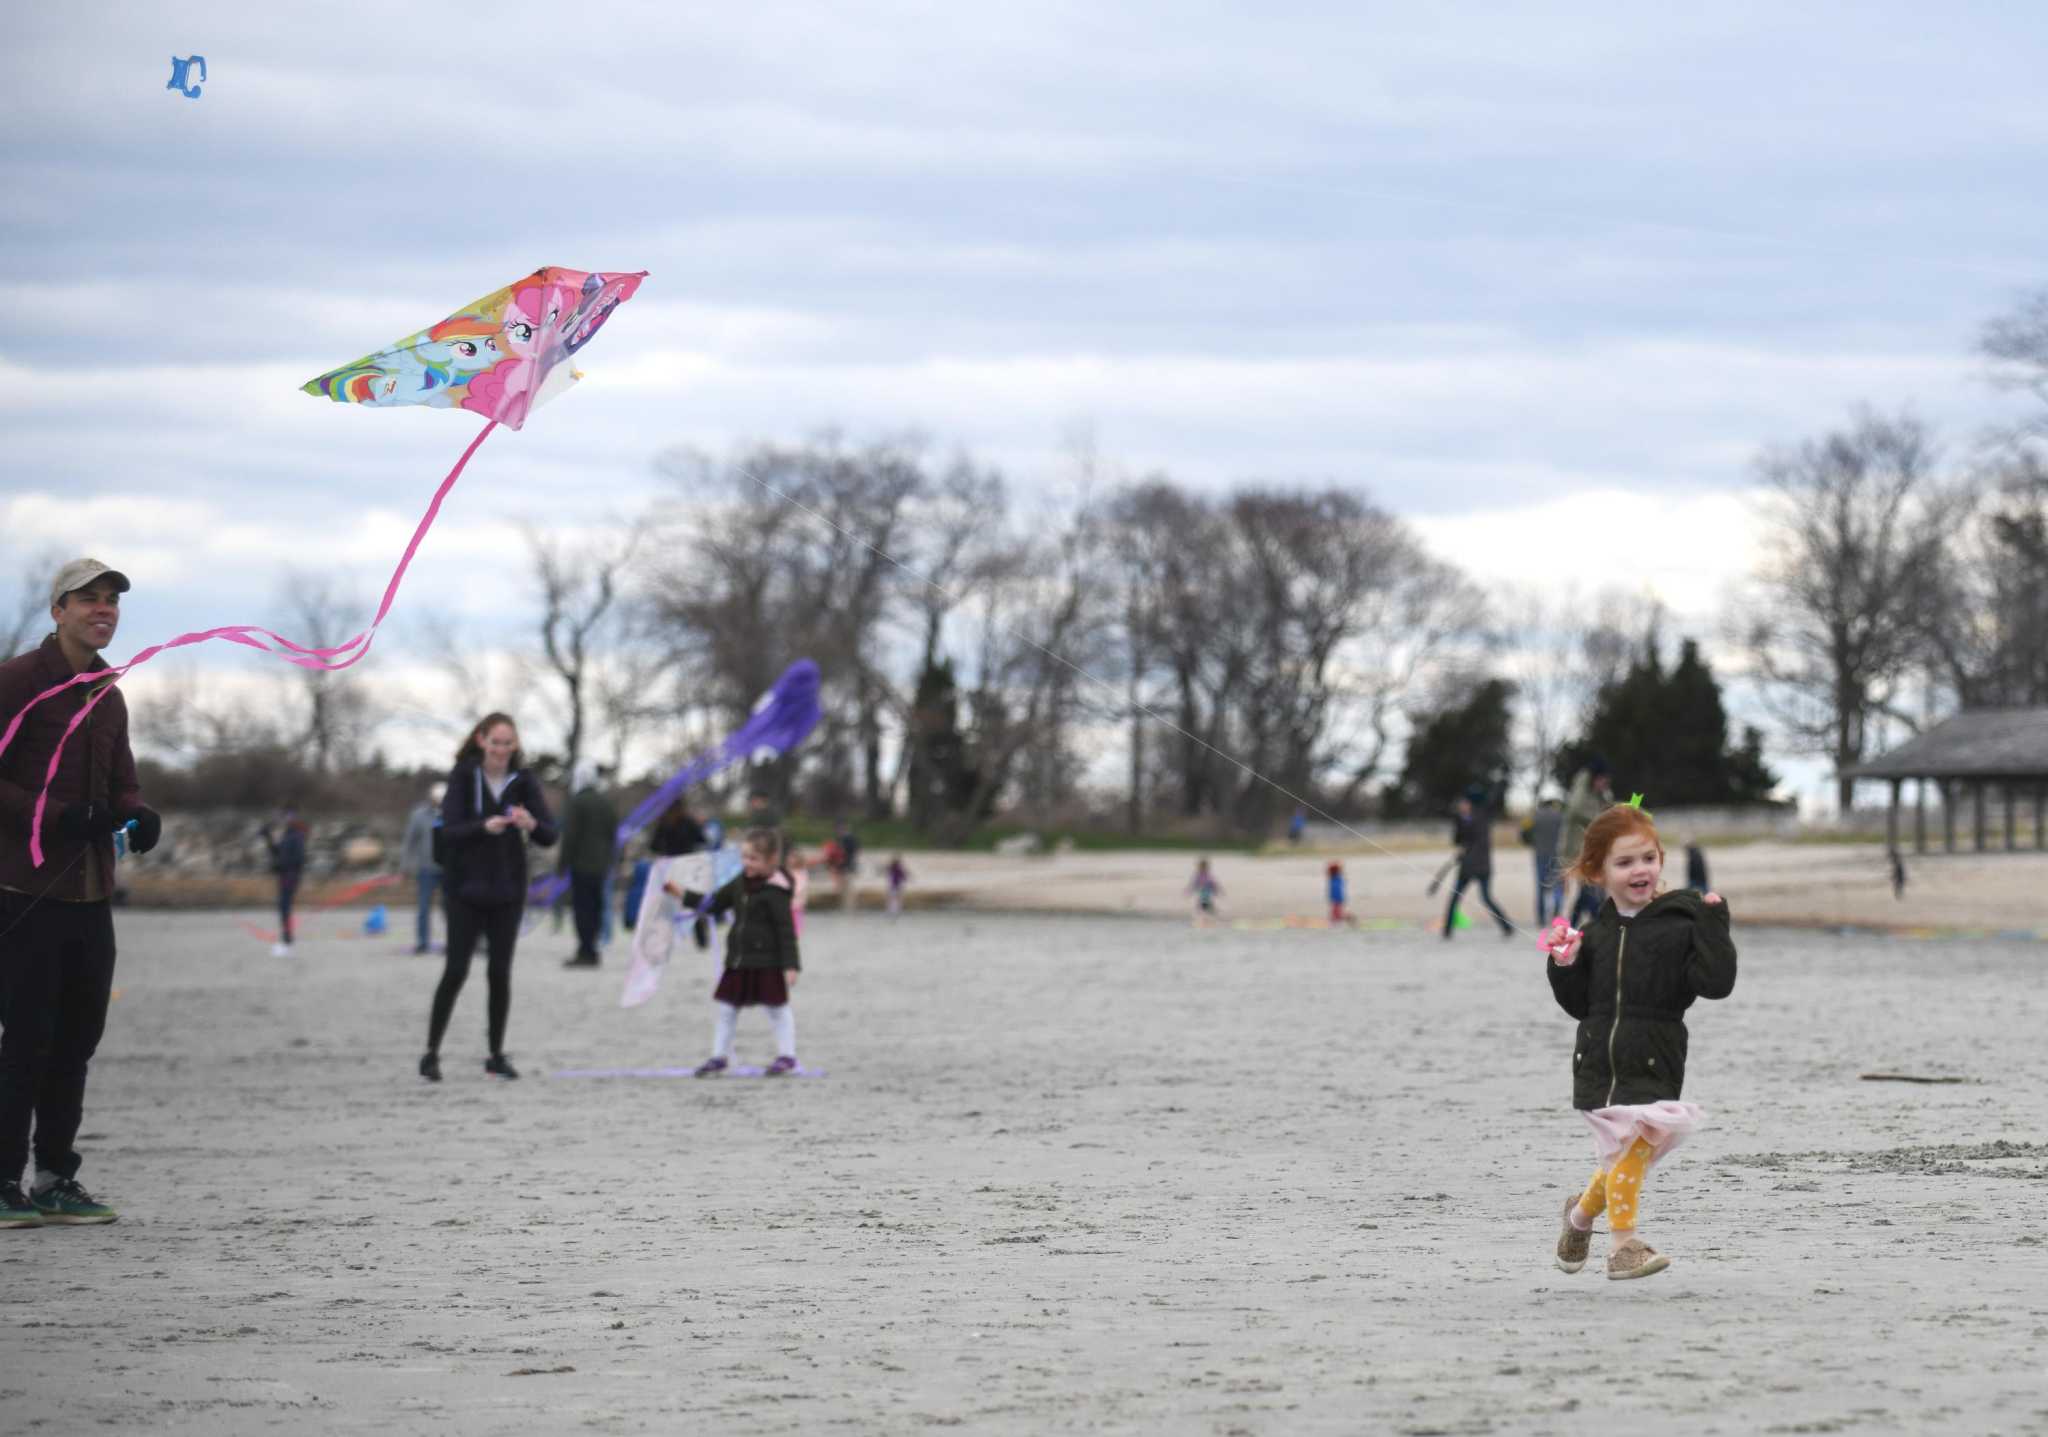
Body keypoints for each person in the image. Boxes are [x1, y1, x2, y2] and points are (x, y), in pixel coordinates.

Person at [0, 558, 162, 1228]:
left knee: (77, 1040)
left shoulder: (109, 694)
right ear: (58, 610)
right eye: (88, 598)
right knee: (26, 1040)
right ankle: (4, 1180)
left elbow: (122, 782)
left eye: (111, 601)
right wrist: (57, 815)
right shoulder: (16, 681)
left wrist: (138, 812)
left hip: (91, 893)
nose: (103, 609)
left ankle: (55, 1176)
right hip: (23, 890)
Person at [1542, 801, 1737, 1281]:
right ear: (1598, 872)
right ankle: (1623, 1245)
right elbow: (1578, 1005)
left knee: (1630, 1153)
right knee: (1629, 1150)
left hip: (1658, 1056)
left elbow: (1716, 984)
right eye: (1625, 862)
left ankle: (1579, 1217)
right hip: (1599, 1062)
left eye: (1648, 858)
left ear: (1661, 860)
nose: (1640, 870)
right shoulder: (1594, 935)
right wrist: (1564, 962)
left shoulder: (1681, 923)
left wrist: (1714, 924)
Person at [420, 713, 557, 1083]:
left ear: (515, 745)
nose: (500, 750)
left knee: (499, 972)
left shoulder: (523, 781)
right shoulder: (464, 776)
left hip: (508, 890)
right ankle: (431, 1052)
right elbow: (449, 830)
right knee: (456, 969)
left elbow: (549, 835)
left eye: (507, 743)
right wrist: (484, 826)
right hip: (464, 889)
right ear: (482, 740)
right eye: (495, 742)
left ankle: (496, 1054)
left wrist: (529, 823)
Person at [668, 828, 803, 1077]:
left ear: (772, 860)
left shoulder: (777, 892)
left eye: (754, 858)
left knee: (777, 1009)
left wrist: (791, 965)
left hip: (768, 963)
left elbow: (786, 932)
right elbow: (714, 904)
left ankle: (787, 1056)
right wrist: (682, 895)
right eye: (744, 857)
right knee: (726, 1009)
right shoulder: (739, 882)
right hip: (738, 961)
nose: (747, 863)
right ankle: (719, 1057)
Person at [558, 765, 619, 968]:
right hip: (602, 866)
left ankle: (585, 951)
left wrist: (562, 863)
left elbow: (570, 835)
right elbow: (613, 835)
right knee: (596, 908)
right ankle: (592, 948)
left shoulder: (578, 802)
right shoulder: (606, 803)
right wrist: (612, 860)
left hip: (581, 865)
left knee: (582, 909)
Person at [1443, 787, 1514, 940]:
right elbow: (1457, 839)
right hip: (1468, 867)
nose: (1461, 806)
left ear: (1470, 804)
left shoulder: (1481, 816)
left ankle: (1507, 926)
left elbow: (1492, 801)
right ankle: (1447, 930)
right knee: (1455, 898)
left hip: (1480, 866)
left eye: (1464, 803)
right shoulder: (1462, 819)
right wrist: (1459, 821)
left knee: (1486, 898)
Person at [1557, 758, 1613, 926]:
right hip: (1573, 858)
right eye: (1602, 780)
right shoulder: (1580, 796)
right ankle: (1564, 932)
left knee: (1589, 899)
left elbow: (1608, 811)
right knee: (1572, 899)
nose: (1604, 784)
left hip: (1592, 858)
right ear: (1593, 778)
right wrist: (1584, 776)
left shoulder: (1598, 797)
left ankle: (1591, 931)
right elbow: (1577, 809)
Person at [399, 783, 445, 955]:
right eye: (437, 799)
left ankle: (454, 942)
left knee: (449, 908)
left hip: (449, 869)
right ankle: (422, 942)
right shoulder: (419, 816)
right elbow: (409, 842)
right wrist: (405, 867)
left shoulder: (454, 813)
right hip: (426, 869)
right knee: (423, 907)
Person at [260, 804, 308, 957]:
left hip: (290, 877)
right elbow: (277, 853)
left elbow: (299, 859)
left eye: (288, 817)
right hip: (284, 876)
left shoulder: (296, 836)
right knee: (283, 909)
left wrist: (282, 866)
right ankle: (287, 941)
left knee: (284, 908)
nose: (284, 820)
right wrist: (267, 837)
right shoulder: (287, 835)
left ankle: (287, 943)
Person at [1522, 792, 1565, 927]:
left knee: (1540, 887)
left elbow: (1524, 834)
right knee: (1557, 885)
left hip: (1540, 854)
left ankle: (1541, 919)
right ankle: (1556, 915)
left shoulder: (1535, 817)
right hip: (1557, 854)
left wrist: (1533, 842)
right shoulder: (1560, 816)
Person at [1187, 856, 1223, 923]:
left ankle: (1206, 919)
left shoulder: (1205, 876)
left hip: (1205, 895)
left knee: (1205, 907)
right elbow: (1195, 884)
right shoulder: (1203, 875)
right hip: (1204, 895)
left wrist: (1217, 891)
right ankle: (1207, 919)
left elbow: (1212, 884)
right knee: (1205, 907)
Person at [885, 854, 911, 918]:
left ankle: (892, 912)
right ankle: (896, 912)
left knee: (892, 899)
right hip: (897, 886)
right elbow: (904, 877)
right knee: (897, 899)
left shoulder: (891, 868)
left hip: (892, 886)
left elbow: (885, 871)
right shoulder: (899, 869)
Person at [1326, 861, 1348, 926]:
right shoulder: (1335, 879)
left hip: (1337, 898)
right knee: (1336, 912)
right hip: (1337, 898)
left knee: (1337, 912)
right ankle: (1335, 921)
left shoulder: (1336, 879)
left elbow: (1335, 890)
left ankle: (1338, 921)